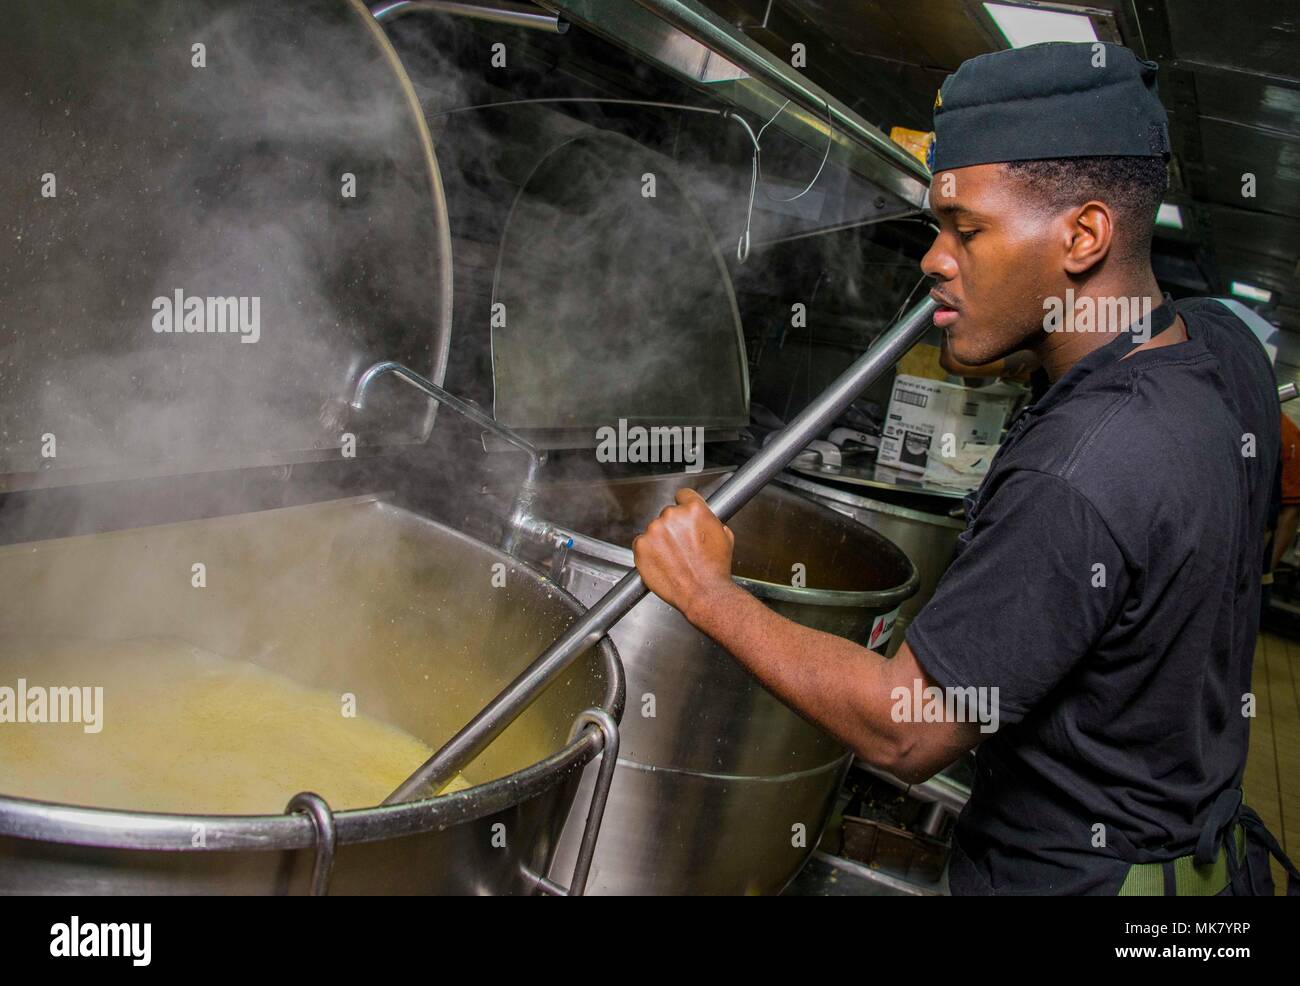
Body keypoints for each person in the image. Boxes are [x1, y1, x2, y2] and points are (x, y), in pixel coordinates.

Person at [632, 41, 1298, 895]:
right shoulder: (1219, 348)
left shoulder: (1079, 473)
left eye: (968, 229)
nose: (934, 258)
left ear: (1084, 234)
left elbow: (907, 731)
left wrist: (707, 592)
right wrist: (1036, 349)